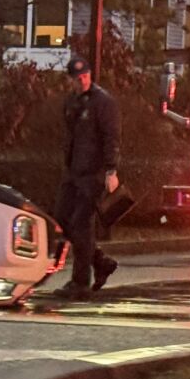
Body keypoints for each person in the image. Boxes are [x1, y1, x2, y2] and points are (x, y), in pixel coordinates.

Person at [57, 55, 120, 299]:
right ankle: (100, 262)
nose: (82, 81)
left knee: (81, 225)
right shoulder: (71, 102)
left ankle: (80, 281)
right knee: (63, 219)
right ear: (71, 80)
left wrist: (111, 170)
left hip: (93, 173)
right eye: (77, 78)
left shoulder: (103, 102)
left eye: (85, 76)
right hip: (74, 171)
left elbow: (111, 137)